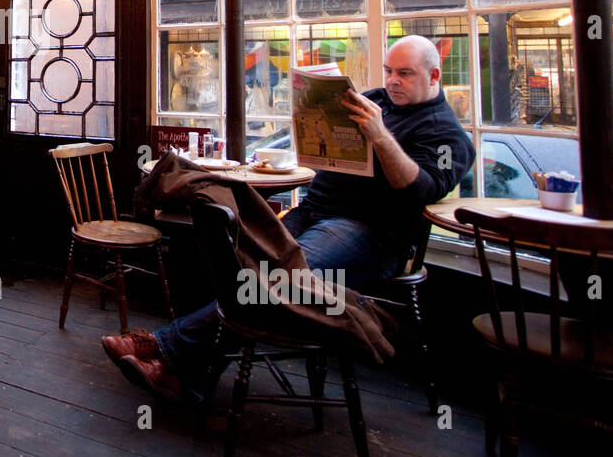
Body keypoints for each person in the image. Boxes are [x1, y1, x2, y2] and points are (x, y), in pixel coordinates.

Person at [103, 35, 476, 401]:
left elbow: (419, 190)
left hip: (371, 232)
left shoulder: (446, 135)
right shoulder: (376, 99)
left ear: (434, 76)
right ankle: (184, 369)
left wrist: (380, 136)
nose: (393, 80)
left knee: (275, 278)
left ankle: (170, 350)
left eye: (405, 73)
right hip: (315, 210)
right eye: (389, 71)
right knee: (238, 261)